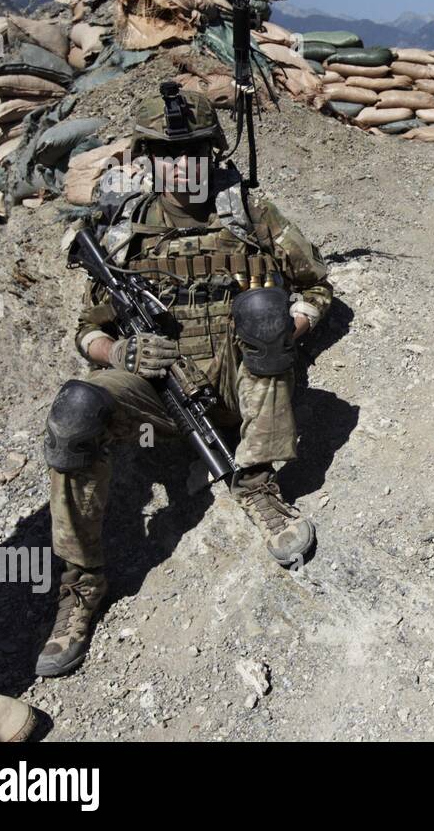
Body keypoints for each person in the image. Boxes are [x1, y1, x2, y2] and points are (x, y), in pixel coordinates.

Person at [38, 83, 333, 678]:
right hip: (157, 397)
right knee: (74, 410)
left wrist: (285, 327)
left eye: (195, 149)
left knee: (262, 311)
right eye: (167, 152)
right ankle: (82, 580)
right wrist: (117, 350)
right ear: (145, 157)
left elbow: (317, 287)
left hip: (243, 384)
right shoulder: (123, 229)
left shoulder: (248, 213)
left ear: (214, 150)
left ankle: (255, 480)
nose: (182, 164)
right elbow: (84, 331)